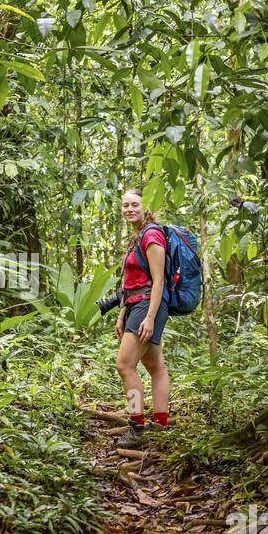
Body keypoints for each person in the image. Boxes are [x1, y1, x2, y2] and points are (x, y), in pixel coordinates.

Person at [113, 188, 170, 448]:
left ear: (145, 206)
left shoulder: (152, 235)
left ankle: (137, 428)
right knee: (154, 365)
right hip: (136, 304)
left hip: (149, 305)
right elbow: (131, 282)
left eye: (134, 204)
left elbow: (158, 281)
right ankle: (160, 426)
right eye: (125, 205)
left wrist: (148, 317)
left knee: (124, 365)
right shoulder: (136, 237)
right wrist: (122, 312)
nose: (129, 209)